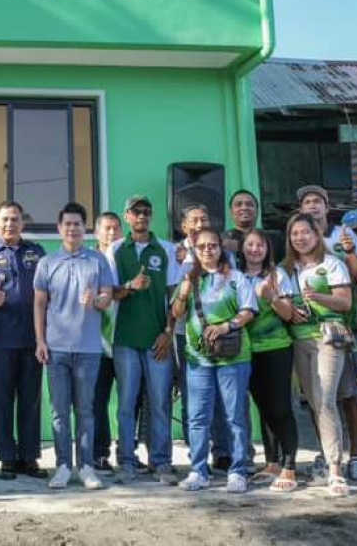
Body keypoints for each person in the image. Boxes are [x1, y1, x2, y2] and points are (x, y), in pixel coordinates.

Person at [34, 202, 115, 491]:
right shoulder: (47, 263)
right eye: (67, 224)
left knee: (85, 410)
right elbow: (40, 304)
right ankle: (63, 466)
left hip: (88, 349)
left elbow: (107, 299)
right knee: (58, 411)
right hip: (55, 348)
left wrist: (96, 300)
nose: (72, 228)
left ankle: (87, 467)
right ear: (59, 228)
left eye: (77, 224)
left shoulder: (97, 261)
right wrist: (40, 341)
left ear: (85, 228)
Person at [296, 184, 357, 483]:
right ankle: (329, 455)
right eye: (307, 202)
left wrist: (350, 250)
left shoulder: (344, 235)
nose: (312, 206)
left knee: (350, 394)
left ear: (327, 207)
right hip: (308, 333)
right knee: (319, 398)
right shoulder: (299, 242)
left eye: (317, 201)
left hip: (342, 329)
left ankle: (356, 456)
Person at [171, 228, 256, 492]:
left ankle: (237, 470)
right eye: (202, 247)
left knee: (234, 416)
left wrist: (226, 326)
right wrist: (184, 292)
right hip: (199, 358)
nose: (207, 250)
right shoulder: (189, 278)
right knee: (197, 417)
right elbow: (176, 314)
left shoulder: (236, 278)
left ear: (221, 249)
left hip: (233, 357)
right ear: (194, 251)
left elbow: (249, 311)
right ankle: (198, 470)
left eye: (213, 246)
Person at [0, 201, 47, 481]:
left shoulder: (37, 253)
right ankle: (7, 459)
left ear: (22, 223)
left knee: (31, 400)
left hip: (33, 339)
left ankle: (29, 458)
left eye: (14, 219)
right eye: (4, 219)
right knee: (3, 400)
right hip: (1, 339)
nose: (9, 224)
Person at [283, 212, 352, 497]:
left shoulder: (332, 264)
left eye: (305, 232)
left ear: (316, 235)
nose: (300, 238)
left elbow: (345, 303)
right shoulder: (286, 269)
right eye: (294, 233)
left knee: (325, 401)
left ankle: (336, 470)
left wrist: (318, 297)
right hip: (299, 341)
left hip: (327, 339)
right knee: (313, 402)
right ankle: (327, 460)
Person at [111, 195, 178, 486]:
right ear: (127, 216)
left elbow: (176, 296)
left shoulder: (166, 249)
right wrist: (130, 286)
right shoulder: (115, 249)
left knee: (160, 403)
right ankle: (126, 461)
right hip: (125, 339)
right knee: (126, 403)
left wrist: (168, 332)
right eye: (136, 212)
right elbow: (109, 292)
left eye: (147, 212)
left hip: (157, 340)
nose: (142, 216)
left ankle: (161, 462)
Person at [239, 228, 299, 492]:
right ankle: (272, 462)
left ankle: (290, 465)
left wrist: (271, 296)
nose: (255, 249)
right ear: (242, 248)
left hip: (276, 348)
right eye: (250, 244)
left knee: (280, 408)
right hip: (247, 351)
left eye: (260, 245)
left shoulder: (278, 275)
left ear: (267, 249)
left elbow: (289, 315)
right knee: (263, 408)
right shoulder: (235, 276)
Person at [173, 203, 232, 473]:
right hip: (186, 335)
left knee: (222, 396)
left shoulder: (223, 254)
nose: (199, 224)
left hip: (222, 335)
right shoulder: (174, 254)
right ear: (183, 226)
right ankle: (197, 455)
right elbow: (172, 297)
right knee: (193, 397)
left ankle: (222, 451)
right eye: (193, 220)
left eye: (204, 219)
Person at [91, 211, 122, 475]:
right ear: (97, 233)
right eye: (106, 229)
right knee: (96, 401)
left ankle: (129, 453)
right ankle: (99, 454)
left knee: (130, 402)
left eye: (115, 229)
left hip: (125, 342)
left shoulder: (126, 259)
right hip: (97, 344)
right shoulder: (89, 260)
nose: (111, 234)